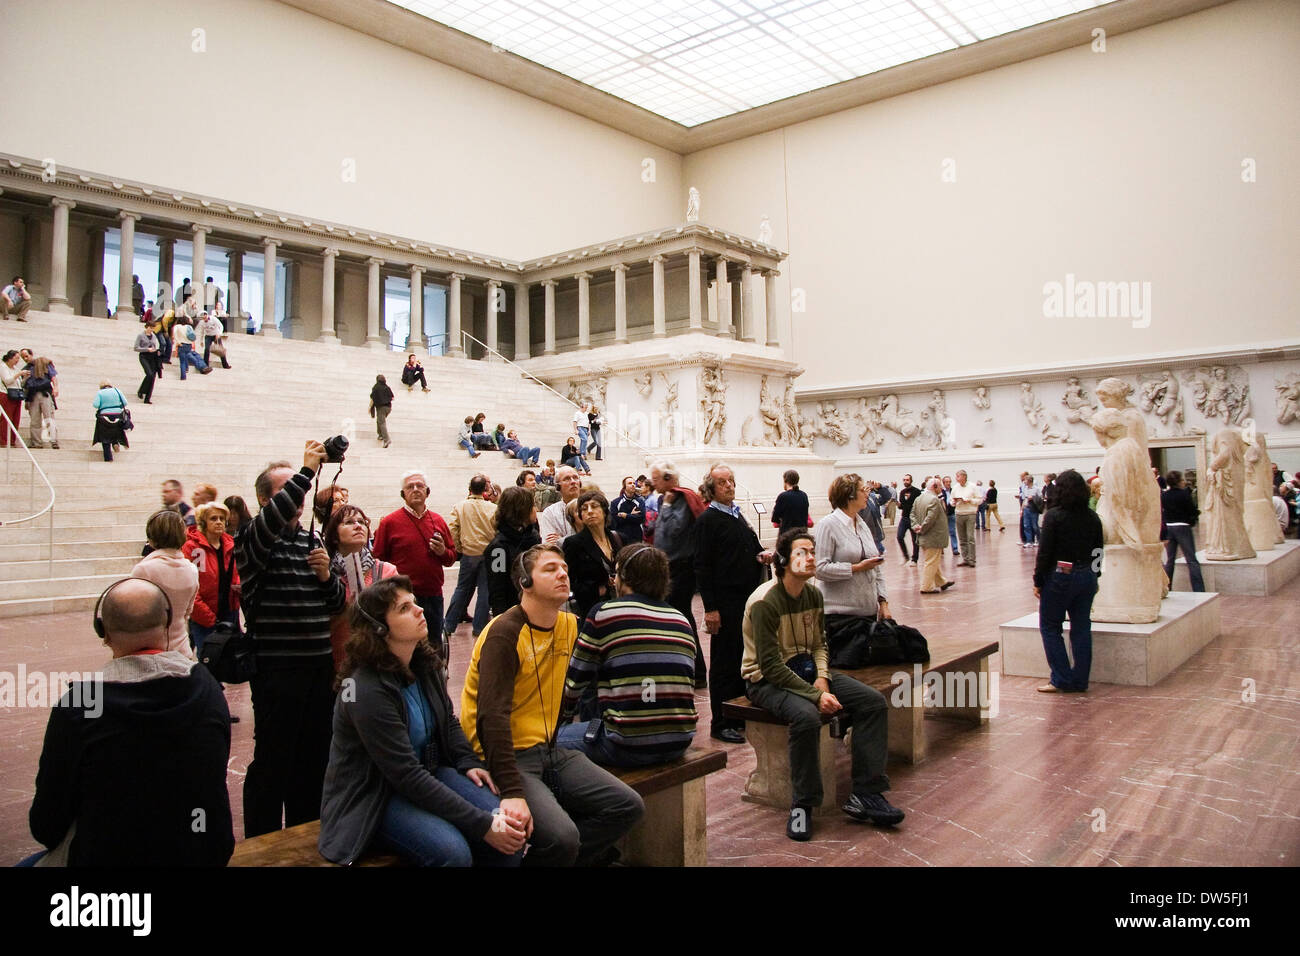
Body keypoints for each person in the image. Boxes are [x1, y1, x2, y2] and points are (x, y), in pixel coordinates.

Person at [319, 577, 525, 867]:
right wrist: (481, 825)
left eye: (414, 602)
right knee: (452, 853)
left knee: (509, 832)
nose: (419, 610)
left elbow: (448, 722)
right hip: (373, 797)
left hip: (426, 774)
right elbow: (404, 774)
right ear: (378, 629)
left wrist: (469, 761)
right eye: (404, 608)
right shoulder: (363, 688)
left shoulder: (421, 661)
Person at [26, 578, 234, 866]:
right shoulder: (208, 688)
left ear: (104, 632)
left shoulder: (80, 705)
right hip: (202, 850)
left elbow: (45, 824)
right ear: (167, 625)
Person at [459, 545, 645, 866]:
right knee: (562, 837)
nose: (562, 573)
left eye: (564, 568)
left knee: (627, 805)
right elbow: (491, 718)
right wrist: (512, 791)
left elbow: (598, 677)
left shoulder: (570, 625)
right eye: (549, 569)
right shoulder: (504, 634)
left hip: (550, 749)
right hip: (507, 755)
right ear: (525, 582)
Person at [743, 530, 904, 840]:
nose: (811, 558)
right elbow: (770, 666)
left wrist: (822, 677)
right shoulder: (765, 601)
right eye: (802, 552)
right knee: (805, 717)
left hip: (806, 672)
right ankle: (803, 804)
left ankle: (866, 793)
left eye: (812, 551)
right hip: (764, 680)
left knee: (872, 702)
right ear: (783, 561)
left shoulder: (814, 595)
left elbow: (819, 645)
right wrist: (817, 695)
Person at [235, 442, 347, 837]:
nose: (297, 500)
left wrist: (326, 578)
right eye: (286, 492)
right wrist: (306, 472)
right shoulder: (253, 538)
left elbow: (335, 604)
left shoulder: (312, 542)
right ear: (267, 500)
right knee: (273, 760)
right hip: (278, 669)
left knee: (313, 759)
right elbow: (271, 520)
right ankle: (262, 843)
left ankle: (304, 834)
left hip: (318, 666)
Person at [558, 543, 697, 767]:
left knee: (541, 743)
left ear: (623, 577)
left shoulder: (605, 613)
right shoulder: (680, 619)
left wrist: (562, 716)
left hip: (626, 743)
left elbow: (575, 684)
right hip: (679, 741)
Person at [695, 463, 772, 743]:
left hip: (746, 599)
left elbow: (749, 547)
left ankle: (738, 714)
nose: (729, 486)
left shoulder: (737, 515)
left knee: (743, 658)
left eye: (731, 481)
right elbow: (702, 567)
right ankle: (720, 721)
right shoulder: (708, 520)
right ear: (711, 489)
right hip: (725, 603)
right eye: (723, 482)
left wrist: (761, 555)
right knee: (723, 664)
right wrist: (711, 608)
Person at [1034, 470, 1104, 693]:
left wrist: (1038, 580)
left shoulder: (1054, 516)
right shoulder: (1093, 517)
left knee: (1050, 626)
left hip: (1061, 573)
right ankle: (1080, 679)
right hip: (1086, 574)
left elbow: (1045, 553)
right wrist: (1096, 575)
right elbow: (1098, 550)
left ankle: (1061, 678)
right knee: (1081, 627)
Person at [372, 471, 457, 640]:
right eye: (410, 487)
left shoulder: (438, 520)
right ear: (403, 494)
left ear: (427, 492)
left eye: (420, 486)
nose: (416, 489)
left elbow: (451, 557)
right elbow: (378, 560)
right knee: (406, 643)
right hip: (402, 597)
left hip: (433, 595)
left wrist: (442, 552)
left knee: (434, 643)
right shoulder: (389, 522)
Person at [650, 459, 708, 686]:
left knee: (682, 618)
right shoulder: (667, 499)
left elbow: (672, 531)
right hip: (669, 567)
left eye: (656, 479)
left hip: (681, 568)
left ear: (667, 478)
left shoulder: (680, 498)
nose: (653, 484)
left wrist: (665, 508)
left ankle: (698, 672)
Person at [814, 474, 891, 639]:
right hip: (840, 617)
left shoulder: (861, 524)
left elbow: (875, 566)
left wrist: (883, 603)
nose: (867, 494)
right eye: (863, 490)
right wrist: (856, 568)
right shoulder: (828, 525)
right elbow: (820, 569)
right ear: (849, 495)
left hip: (868, 613)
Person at [324, 504, 398, 669]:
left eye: (361, 521)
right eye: (349, 522)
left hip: (379, 660)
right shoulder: (326, 575)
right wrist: (346, 612)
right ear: (334, 536)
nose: (358, 526)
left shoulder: (387, 571)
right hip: (338, 661)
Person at [130, 509, 199, 658]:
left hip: (152, 654)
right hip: (182, 651)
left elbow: (134, 614)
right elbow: (187, 612)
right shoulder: (192, 570)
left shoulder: (143, 570)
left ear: (151, 537)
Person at [443, 475, 498, 647]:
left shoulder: (460, 506)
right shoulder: (493, 508)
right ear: (485, 490)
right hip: (488, 554)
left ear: (470, 488)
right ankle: (479, 628)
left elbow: (452, 529)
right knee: (485, 591)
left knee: (462, 589)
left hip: (469, 553)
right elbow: (498, 530)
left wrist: (459, 548)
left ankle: (449, 624)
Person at [182, 501, 242, 658]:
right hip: (204, 615)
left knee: (227, 661)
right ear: (203, 522)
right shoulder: (192, 547)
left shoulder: (231, 544)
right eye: (213, 518)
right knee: (208, 661)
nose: (219, 522)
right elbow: (190, 586)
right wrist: (207, 617)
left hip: (229, 611)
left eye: (222, 518)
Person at [563, 490, 624, 622]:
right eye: (584, 509)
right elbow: (570, 581)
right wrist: (597, 589)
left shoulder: (618, 538)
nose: (589, 511)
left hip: (621, 606)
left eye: (594, 506)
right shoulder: (574, 544)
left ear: (604, 511)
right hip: (593, 611)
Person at [485, 486, 542, 616]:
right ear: (521, 510)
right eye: (532, 505)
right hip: (513, 612)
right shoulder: (498, 548)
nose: (536, 509)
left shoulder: (533, 536)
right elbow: (497, 589)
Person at [1161, 470, 1204, 592]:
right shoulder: (1184, 494)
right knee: (1191, 559)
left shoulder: (1163, 495)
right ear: (1178, 481)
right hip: (1182, 526)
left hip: (1169, 527)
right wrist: (1192, 519)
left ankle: (1167, 587)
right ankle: (1199, 589)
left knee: (1169, 560)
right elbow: (1191, 510)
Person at [912, 479, 955, 594]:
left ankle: (942, 582)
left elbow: (912, 514)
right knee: (931, 561)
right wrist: (923, 528)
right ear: (935, 487)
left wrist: (916, 526)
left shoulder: (919, 498)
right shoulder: (934, 500)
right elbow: (931, 518)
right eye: (940, 487)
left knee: (932, 559)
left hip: (923, 537)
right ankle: (926, 587)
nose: (941, 489)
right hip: (933, 536)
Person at [539, 465, 582, 544]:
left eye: (575, 478)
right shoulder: (550, 512)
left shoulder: (591, 507)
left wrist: (561, 541)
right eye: (567, 479)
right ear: (558, 486)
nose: (573, 482)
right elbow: (549, 546)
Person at [23, 356, 58, 449]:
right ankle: (36, 443)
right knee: (35, 420)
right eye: (23, 357)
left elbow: (53, 377)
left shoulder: (45, 363)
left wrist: (56, 387)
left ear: (31, 355)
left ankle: (54, 441)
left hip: (44, 393)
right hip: (32, 394)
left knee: (49, 418)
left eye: (26, 356)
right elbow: (24, 383)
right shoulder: (26, 368)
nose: (25, 358)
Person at [91, 379, 130, 461]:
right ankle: (115, 443)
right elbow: (125, 402)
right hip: (118, 415)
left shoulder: (100, 393)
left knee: (104, 436)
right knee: (115, 431)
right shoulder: (117, 390)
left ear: (101, 386)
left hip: (104, 417)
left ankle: (108, 458)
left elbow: (95, 405)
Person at [951, 469, 983, 567]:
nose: (956, 478)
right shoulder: (955, 487)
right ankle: (965, 558)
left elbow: (980, 500)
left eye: (958, 476)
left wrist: (970, 500)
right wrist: (954, 502)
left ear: (964, 477)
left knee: (970, 537)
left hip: (970, 513)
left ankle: (972, 560)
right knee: (962, 538)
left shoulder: (973, 486)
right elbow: (951, 501)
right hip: (959, 513)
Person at [770, 469, 810, 537]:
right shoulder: (804, 495)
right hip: (802, 534)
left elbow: (774, 519)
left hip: (787, 535)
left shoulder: (783, 496)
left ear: (785, 481)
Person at [1, 349, 28, 447]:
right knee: (6, 418)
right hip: (7, 394)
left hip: (17, 394)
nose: (17, 361)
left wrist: (24, 377)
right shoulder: (3, 367)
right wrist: (19, 374)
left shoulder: (15, 368)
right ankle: (3, 441)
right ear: (10, 358)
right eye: (16, 358)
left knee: (15, 418)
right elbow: (7, 380)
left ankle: (12, 440)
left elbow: (19, 382)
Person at [610, 476, 646, 543]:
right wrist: (632, 516)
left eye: (634, 483)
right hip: (621, 538)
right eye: (629, 483)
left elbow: (641, 518)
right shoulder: (615, 502)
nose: (632, 485)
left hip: (636, 538)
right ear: (624, 487)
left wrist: (626, 515)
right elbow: (615, 522)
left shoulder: (640, 501)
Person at [895, 474, 921, 564]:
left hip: (913, 518)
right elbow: (902, 506)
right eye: (904, 480)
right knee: (899, 536)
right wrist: (899, 505)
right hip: (904, 518)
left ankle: (914, 559)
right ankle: (906, 556)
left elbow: (919, 505)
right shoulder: (902, 492)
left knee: (915, 539)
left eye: (907, 480)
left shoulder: (917, 491)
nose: (905, 481)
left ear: (911, 481)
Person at [134, 322, 161, 404]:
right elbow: (136, 347)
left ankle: (147, 398)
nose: (152, 330)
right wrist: (146, 349)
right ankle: (141, 390)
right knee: (149, 374)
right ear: (147, 327)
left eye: (153, 328)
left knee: (153, 376)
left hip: (152, 357)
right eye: (151, 328)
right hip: (144, 356)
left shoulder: (154, 336)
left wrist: (156, 351)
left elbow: (155, 346)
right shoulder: (141, 336)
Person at [370, 374, 394, 448]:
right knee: (379, 421)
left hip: (381, 408)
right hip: (388, 408)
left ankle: (387, 440)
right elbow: (392, 397)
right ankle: (380, 435)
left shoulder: (376, 387)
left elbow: (372, 399)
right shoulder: (387, 387)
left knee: (382, 423)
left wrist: (370, 407)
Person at [1019, 474, 1041, 547]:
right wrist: (1022, 509)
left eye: (1025, 480)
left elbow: (1040, 498)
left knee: (1034, 525)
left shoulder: (1036, 489)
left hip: (1033, 508)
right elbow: (1024, 499)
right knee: (1026, 525)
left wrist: (1033, 497)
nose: (1024, 481)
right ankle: (1029, 541)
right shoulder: (1025, 489)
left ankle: (1039, 540)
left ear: (1029, 481)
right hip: (1026, 508)